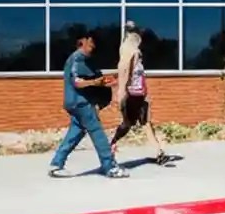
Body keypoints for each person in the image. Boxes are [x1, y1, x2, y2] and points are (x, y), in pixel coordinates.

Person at [49, 32, 127, 178]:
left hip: (76, 102)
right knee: (97, 132)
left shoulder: (85, 61)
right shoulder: (77, 58)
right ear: (82, 42)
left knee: (76, 132)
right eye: (90, 42)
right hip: (80, 102)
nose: (93, 45)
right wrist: (95, 82)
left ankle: (56, 164)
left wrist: (106, 83)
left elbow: (93, 79)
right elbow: (77, 82)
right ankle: (109, 167)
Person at [110, 21, 168, 165]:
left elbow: (139, 77)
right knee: (127, 124)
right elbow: (123, 72)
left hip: (140, 95)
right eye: (134, 32)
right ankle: (111, 144)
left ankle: (159, 152)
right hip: (131, 95)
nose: (137, 35)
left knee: (146, 123)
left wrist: (146, 93)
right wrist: (121, 92)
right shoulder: (128, 51)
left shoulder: (137, 54)